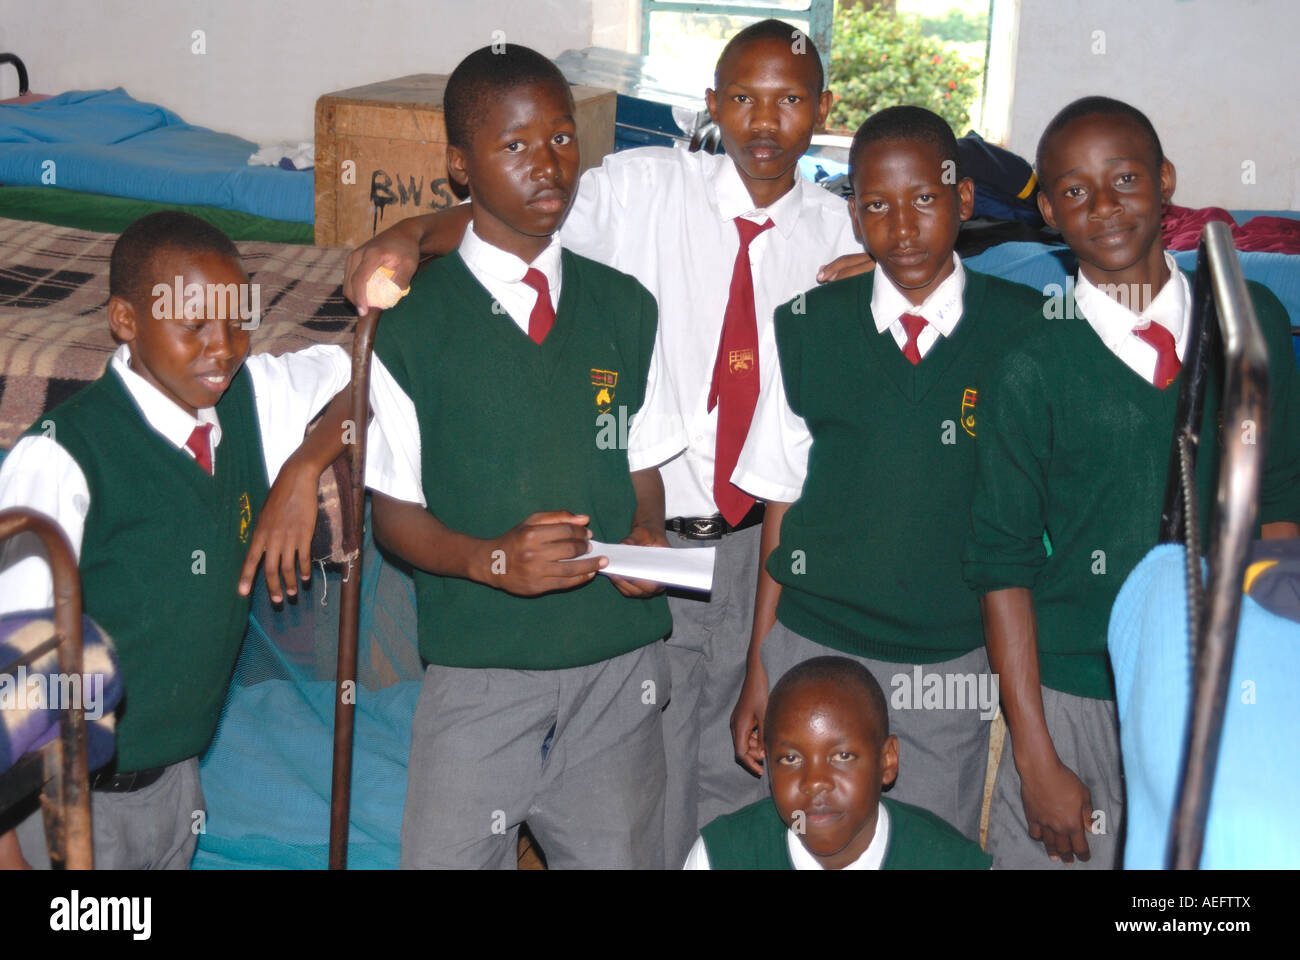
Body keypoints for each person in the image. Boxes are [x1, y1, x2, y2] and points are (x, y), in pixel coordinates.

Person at [342, 18, 869, 868]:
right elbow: (509, 216)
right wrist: (409, 234)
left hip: (763, 547)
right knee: (649, 797)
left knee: (744, 768)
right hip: (641, 577)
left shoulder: (845, 236)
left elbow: (641, 455)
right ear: (711, 105)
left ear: (825, 109)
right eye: (743, 97)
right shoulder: (641, 187)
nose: (766, 121)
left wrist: (889, 277)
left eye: (790, 100)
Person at [361, 44, 686, 869]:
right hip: (482, 670)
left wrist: (647, 532)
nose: (548, 165)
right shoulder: (410, 329)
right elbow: (394, 514)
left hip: (617, 666)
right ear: (459, 167)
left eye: (562, 139)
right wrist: (491, 560)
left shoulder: (625, 307)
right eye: (515, 145)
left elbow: (641, 462)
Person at [963, 95, 1300, 869]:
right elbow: (1002, 563)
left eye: (1124, 179)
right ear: (1049, 211)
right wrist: (1036, 758)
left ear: (1165, 179)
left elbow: (1280, 499)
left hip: (1223, 683)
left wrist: (1274, 661)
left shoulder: (1250, 322)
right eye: (1074, 191)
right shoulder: (1030, 360)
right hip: (1079, 694)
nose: (1104, 206)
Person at [0, 211, 353, 868]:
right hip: (66, 806)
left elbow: (371, 363)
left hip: (177, 785)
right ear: (126, 321)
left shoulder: (252, 399)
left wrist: (304, 467)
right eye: (194, 326)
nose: (224, 348)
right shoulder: (63, 459)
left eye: (237, 322)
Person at [730, 106, 1044, 839]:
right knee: (806, 843)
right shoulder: (809, 324)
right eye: (876, 205)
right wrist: (759, 665)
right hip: (812, 645)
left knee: (930, 844)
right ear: (853, 214)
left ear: (964, 199)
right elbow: (782, 505)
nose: (902, 228)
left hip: (949, 659)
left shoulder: (1025, 328)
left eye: (925, 199)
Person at [685, 655, 990, 869]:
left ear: (887, 760)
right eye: (790, 758)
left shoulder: (947, 862)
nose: (815, 782)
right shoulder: (724, 859)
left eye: (842, 756)